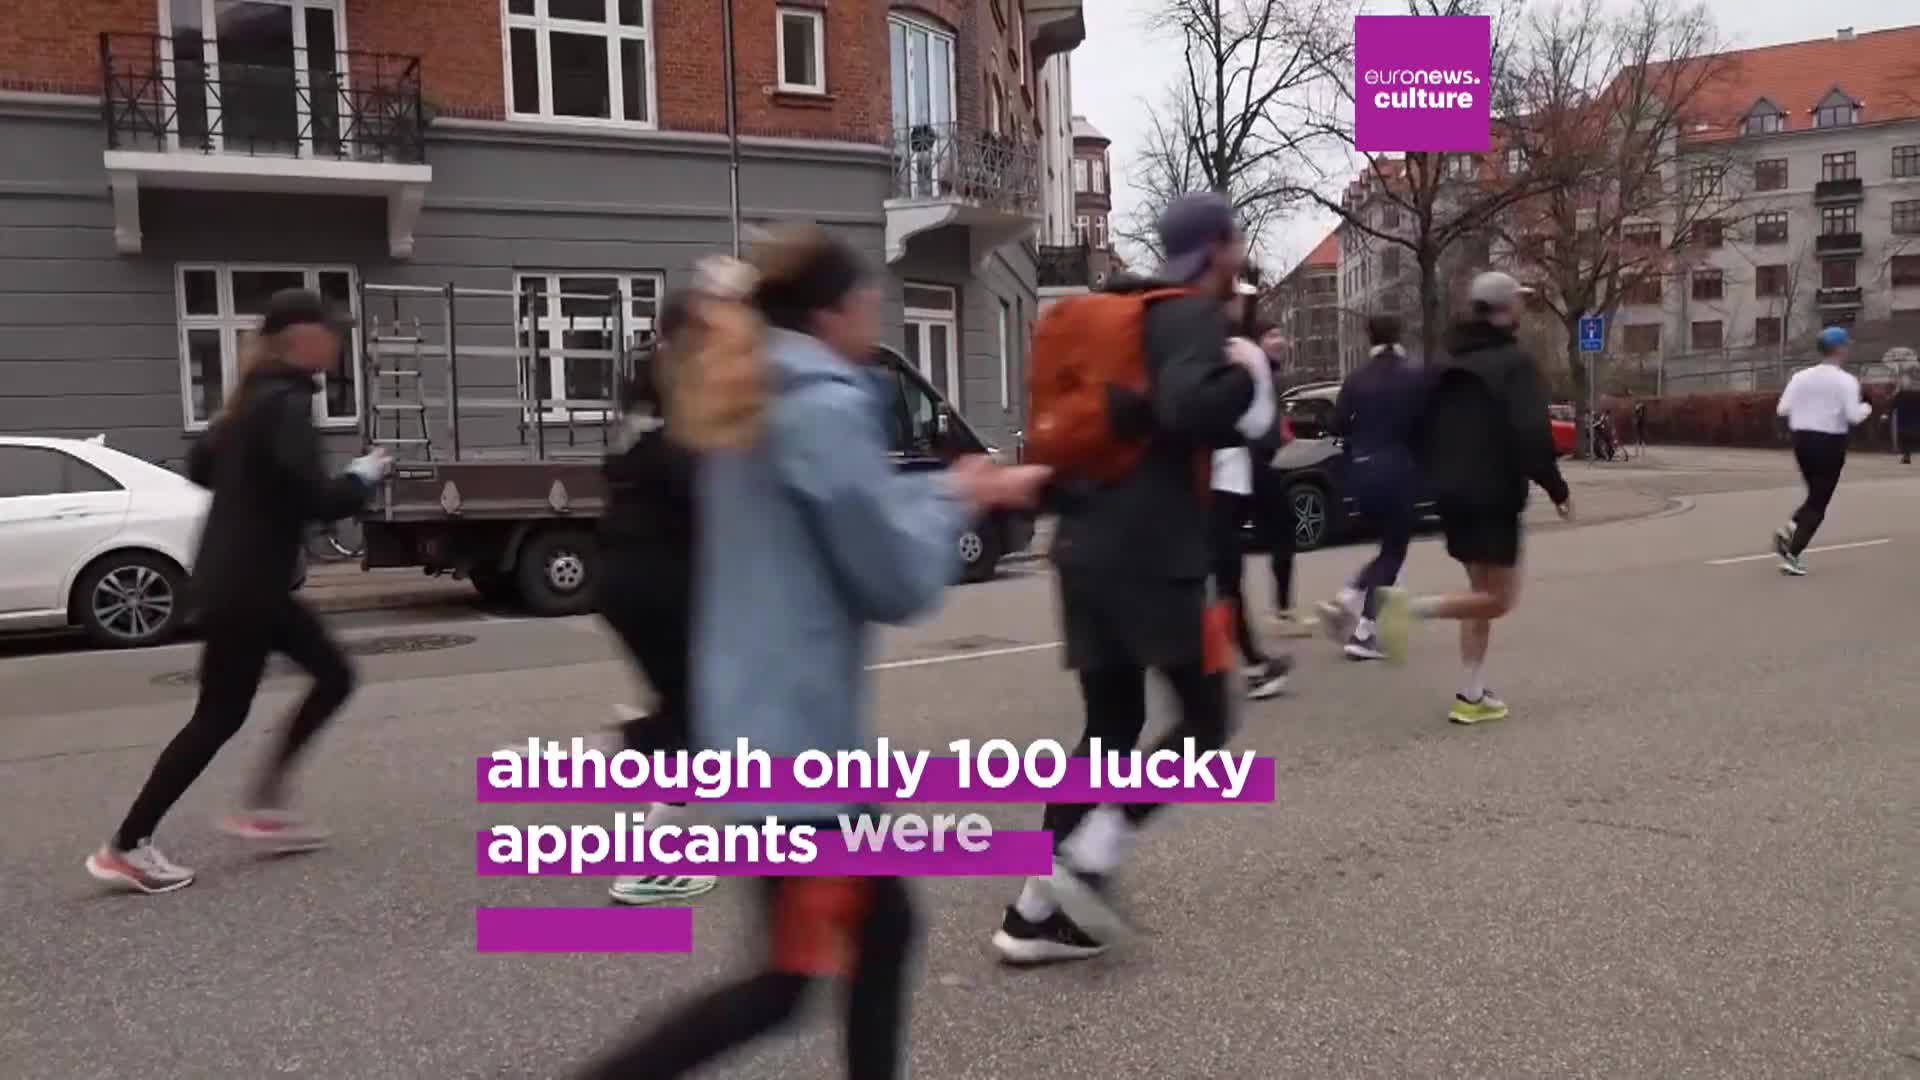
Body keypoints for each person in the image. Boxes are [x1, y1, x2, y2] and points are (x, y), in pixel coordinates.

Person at [575, 226, 1049, 1080]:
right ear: (836, 311)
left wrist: (949, 489)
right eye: (869, 299)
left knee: (851, 946)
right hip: (796, 749)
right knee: (796, 977)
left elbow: (833, 516)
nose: (876, 314)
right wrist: (961, 495)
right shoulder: (826, 403)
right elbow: (895, 577)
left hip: (757, 729)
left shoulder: (748, 394)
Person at [993, 192, 1256, 964]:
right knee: (1207, 719)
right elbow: (1187, 409)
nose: (1239, 257)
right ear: (1215, 250)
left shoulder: (1117, 310)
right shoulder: (1190, 317)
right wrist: (1244, 372)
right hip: (1152, 553)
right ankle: (1089, 859)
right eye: (1234, 243)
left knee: (1108, 726)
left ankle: (1033, 909)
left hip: (1083, 545)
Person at [87, 289, 391, 894]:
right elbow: (313, 498)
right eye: (330, 331)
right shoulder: (284, 403)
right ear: (301, 337)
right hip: (250, 588)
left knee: (331, 676)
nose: (337, 341)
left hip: (245, 583)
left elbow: (201, 468)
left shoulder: (251, 399)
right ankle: (127, 845)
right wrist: (362, 478)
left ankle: (261, 807)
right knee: (220, 715)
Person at [595, 258, 751, 908]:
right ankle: (645, 863)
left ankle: (640, 744)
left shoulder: (646, 381)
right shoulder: (683, 389)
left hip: (627, 569)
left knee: (697, 709)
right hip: (660, 576)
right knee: (703, 720)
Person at [1375, 272, 1571, 725]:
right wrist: (1556, 489)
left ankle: (1471, 693)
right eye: (1518, 303)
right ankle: (1411, 608)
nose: (1522, 309)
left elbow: (1418, 426)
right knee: (1500, 599)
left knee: (1478, 592)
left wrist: (1433, 476)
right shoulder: (1513, 363)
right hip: (1494, 494)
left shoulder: (1444, 362)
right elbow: (1531, 436)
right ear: (1505, 310)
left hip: (1450, 494)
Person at [1316, 315, 1426, 661]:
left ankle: (1364, 625)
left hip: (1361, 475)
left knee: (1386, 553)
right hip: (1398, 472)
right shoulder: (1412, 375)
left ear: (1369, 339)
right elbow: (1425, 424)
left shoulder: (1356, 379)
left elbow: (1336, 425)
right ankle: (1354, 613)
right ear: (1399, 336)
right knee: (1393, 553)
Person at [1209, 281, 1290, 699]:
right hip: (1221, 467)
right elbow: (1255, 423)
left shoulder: (1204, 342)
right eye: (1239, 298)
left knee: (1221, 573)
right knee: (1223, 572)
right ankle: (1249, 663)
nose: (1245, 304)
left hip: (1218, 468)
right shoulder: (1234, 351)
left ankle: (1242, 660)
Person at [1772, 326, 1871, 576]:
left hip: (1802, 441)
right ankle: (1792, 553)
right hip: (1830, 443)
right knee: (1818, 503)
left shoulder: (1800, 377)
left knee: (1814, 495)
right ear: (1838, 349)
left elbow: (1782, 409)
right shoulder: (1846, 381)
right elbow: (1853, 416)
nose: (1848, 349)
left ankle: (1791, 527)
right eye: (1846, 345)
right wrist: (1866, 408)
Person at [1253, 323, 1308, 636]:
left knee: (1281, 534)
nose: (1281, 341)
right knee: (1281, 534)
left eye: (1281, 334)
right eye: (1271, 335)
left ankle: (1282, 611)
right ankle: (1282, 613)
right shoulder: (1257, 372)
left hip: (1259, 462)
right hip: (1251, 462)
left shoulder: (1270, 375)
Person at [1891, 370, 1920, 465]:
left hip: (1905, 418)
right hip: (1913, 417)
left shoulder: (1901, 393)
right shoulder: (1915, 392)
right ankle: (1907, 455)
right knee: (1911, 434)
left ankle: (1907, 455)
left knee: (1905, 436)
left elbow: (1893, 404)